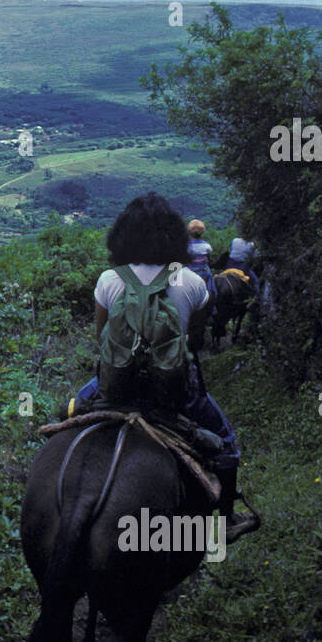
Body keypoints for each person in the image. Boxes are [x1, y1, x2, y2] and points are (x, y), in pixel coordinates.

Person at [68, 193, 258, 538]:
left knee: (70, 410)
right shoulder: (193, 282)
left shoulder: (109, 280)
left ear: (123, 237)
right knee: (227, 443)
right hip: (174, 393)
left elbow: (101, 337)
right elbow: (196, 338)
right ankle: (225, 519)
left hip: (117, 389)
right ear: (174, 237)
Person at [186, 219, 215, 300]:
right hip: (204, 270)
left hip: (190, 270)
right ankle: (213, 300)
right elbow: (208, 258)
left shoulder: (187, 245)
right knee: (210, 280)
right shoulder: (206, 245)